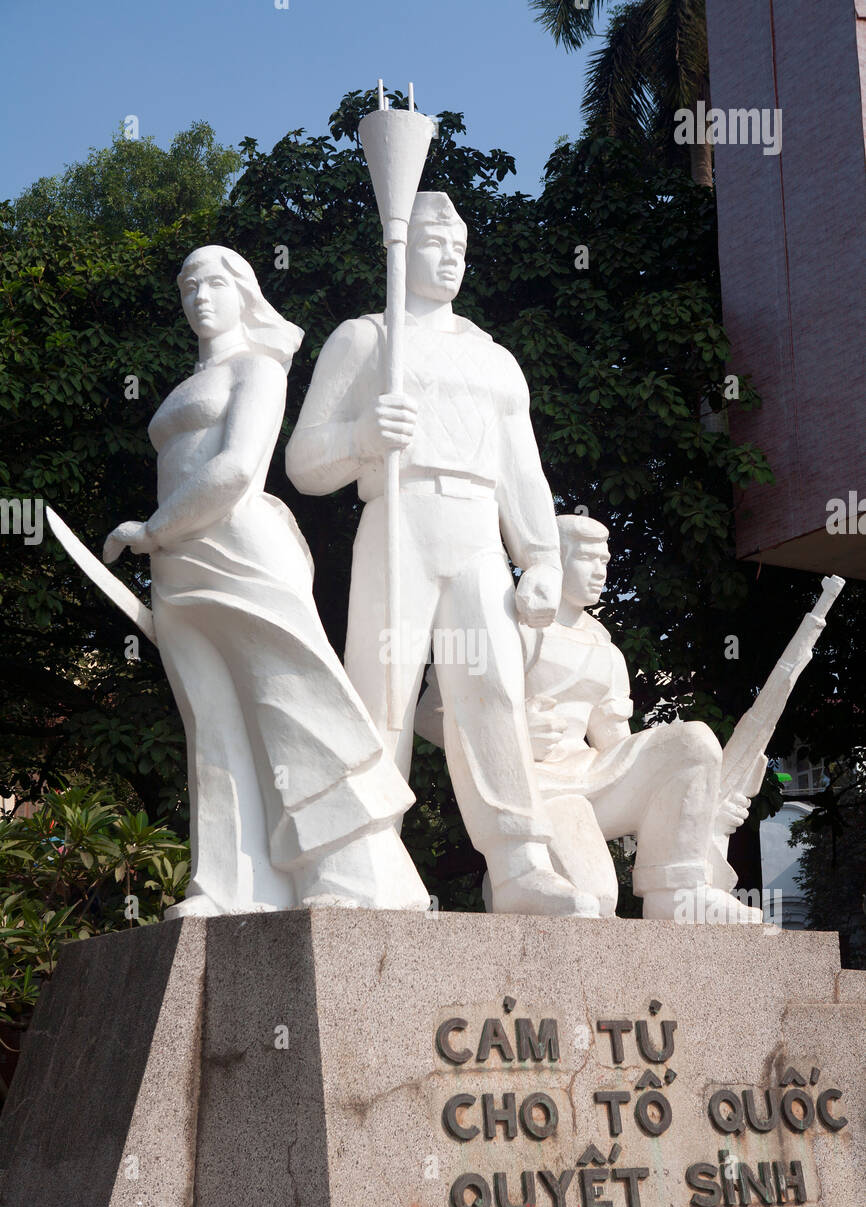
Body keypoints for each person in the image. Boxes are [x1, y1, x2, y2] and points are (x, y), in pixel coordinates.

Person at [286, 194, 595, 916]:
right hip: (399, 517)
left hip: (476, 529)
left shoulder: (493, 359)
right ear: (400, 250)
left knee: (491, 691)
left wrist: (541, 556)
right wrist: (363, 433)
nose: (450, 256)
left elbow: (523, 471)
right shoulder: (364, 340)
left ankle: (519, 862)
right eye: (433, 241)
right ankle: (366, 851)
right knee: (381, 693)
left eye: (458, 244)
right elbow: (304, 463)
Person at [103, 245, 428, 915]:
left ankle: (353, 875)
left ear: (245, 293)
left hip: (238, 547)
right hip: (177, 563)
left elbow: (235, 469)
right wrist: (161, 542)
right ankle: (226, 886)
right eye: (188, 284)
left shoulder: (258, 368)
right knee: (213, 726)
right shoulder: (191, 382)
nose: (200, 295)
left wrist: (152, 530)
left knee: (295, 706)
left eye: (216, 282)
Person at [520, 514, 760, 923]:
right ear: (556, 561)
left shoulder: (605, 650)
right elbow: (434, 718)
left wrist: (705, 805)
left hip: (593, 775)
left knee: (695, 741)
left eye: (606, 561)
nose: (602, 572)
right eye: (590, 560)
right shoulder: (513, 629)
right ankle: (519, 875)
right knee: (595, 900)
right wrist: (516, 732)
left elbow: (616, 747)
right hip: (540, 786)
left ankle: (676, 891)